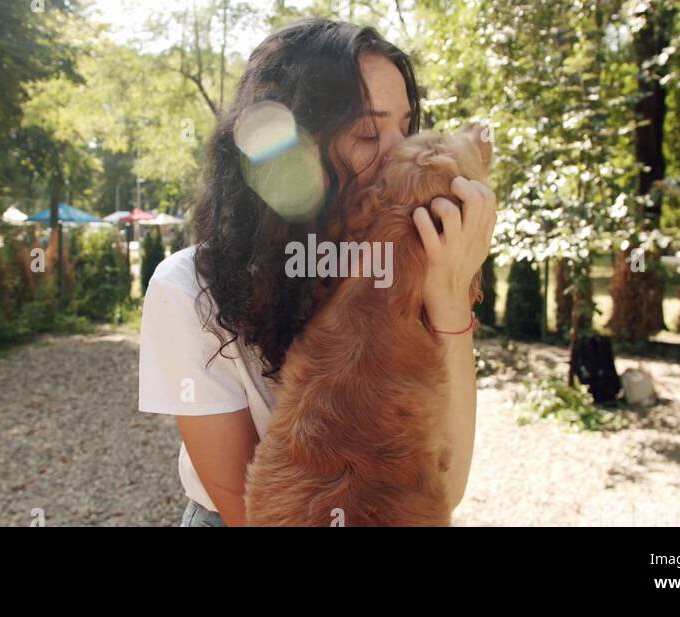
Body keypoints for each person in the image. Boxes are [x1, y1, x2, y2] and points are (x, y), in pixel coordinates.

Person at [137, 17, 496, 527]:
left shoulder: (407, 262)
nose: (399, 152)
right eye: (368, 132)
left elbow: (446, 487)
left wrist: (450, 296)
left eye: (406, 126)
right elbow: (251, 513)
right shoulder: (189, 288)